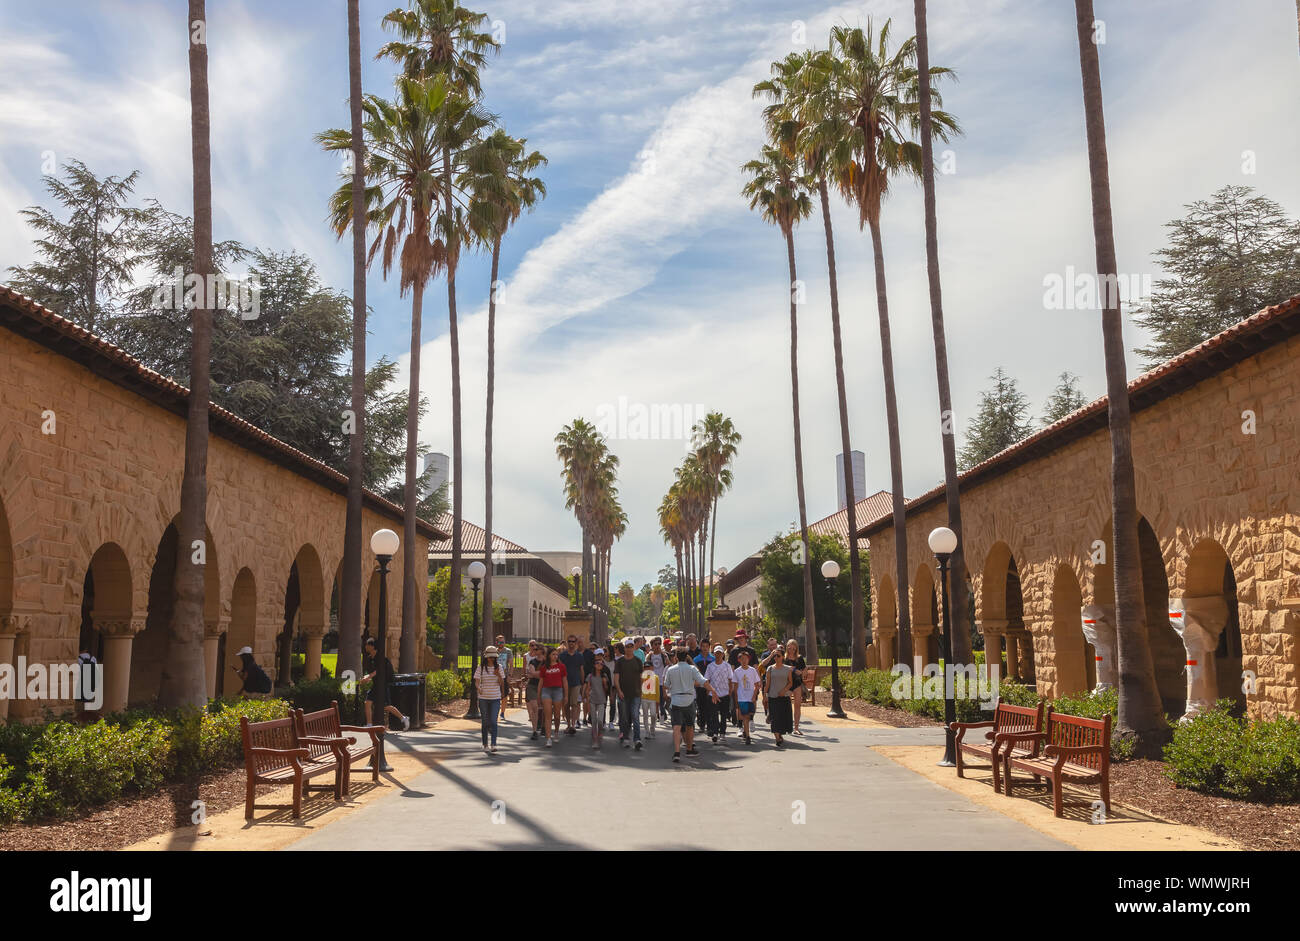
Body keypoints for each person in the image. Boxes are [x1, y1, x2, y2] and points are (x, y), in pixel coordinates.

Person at [664, 646, 714, 763]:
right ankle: (689, 749)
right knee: (690, 725)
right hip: (689, 700)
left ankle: (677, 752)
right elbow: (703, 681)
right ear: (686, 657)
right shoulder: (692, 668)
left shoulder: (671, 670)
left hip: (676, 700)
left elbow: (666, 685)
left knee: (676, 727)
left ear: (676, 657)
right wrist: (713, 691)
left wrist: (672, 689)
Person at [361, 639, 409, 730]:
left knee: (386, 706)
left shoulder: (381, 658)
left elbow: (378, 671)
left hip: (383, 685)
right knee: (367, 702)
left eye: (367, 645)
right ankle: (369, 725)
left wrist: (368, 677)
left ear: (372, 646)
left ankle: (404, 718)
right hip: (375, 685)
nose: (365, 646)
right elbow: (372, 672)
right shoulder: (370, 658)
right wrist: (367, 678)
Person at [614, 637, 644, 750]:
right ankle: (626, 737)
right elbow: (616, 678)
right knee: (625, 717)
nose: (630, 648)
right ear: (625, 648)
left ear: (633, 647)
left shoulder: (638, 661)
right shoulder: (620, 662)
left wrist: (641, 690)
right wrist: (619, 690)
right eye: (627, 646)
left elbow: (641, 678)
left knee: (635, 716)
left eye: (631, 646)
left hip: (636, 694)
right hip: (623, 694)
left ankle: (637, 739)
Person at [475, 646, 506, 754]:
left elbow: (502, 683)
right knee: (485, 722)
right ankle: (485, 744)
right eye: (490, 657)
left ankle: (493, 744)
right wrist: (478, 687)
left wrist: (498, 675)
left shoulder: (499, 667)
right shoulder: (481, 667)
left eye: (493, 657)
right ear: (486, 657)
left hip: (495, 698)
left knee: (493, 721)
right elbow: (477, 681)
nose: (492, 659)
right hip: (483, 698)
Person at [763, 647, 794, 747]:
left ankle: (780, 734)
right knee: (775, 718)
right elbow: (767, 684)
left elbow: (790, 683)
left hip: (784, 697)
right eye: (775, 655)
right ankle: (777, 738)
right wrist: (765, 696)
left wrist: (784, 690)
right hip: (773, 697)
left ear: (782, 657)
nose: (776, 657)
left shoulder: (787, 669)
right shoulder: (770, 669)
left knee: (783, 717)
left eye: (778, 656)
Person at [704, 646, 734, 742]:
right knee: (714, 715)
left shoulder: (727, 666)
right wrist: (708, 692)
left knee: (724, 715)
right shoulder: (710, 666)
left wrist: (730, 691)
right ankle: (715, 733)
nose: (718, 655)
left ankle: (723, 733)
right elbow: (707, 680)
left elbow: (730, 679)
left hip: (725, 694)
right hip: (713, 695)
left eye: (720, 653)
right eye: (716, 653)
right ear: (714, 654)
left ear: (722, 654)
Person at [557, 635, 586, 735]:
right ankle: (568, 724)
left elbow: (581, 670)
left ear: (576, 643)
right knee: (566, 704)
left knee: (574, 704)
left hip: (576, 683)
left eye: (573, 641)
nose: (571, 643)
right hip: (565, 683)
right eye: (569, 641)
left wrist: (583, 684)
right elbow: (559, 670)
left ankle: (573, 725)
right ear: (567, 642)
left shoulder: (579, 656)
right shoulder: (562, 655)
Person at [538, 646, 567, 746]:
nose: (555, 656)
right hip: (546, 691)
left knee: (557, 715)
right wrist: (538, 696)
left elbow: (565, 681)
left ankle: (556, 732)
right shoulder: (544, 668)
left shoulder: (561, 666)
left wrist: (566, 695)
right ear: (549, 656)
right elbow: (541, 683)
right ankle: (548, 737)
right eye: (553, 654)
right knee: (548, 715)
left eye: (556, 654)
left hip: (558, 691)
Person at [584, 649, 611, 749]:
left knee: (600, 721)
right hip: (592, 700)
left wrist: (605, 683)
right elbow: (587, 688)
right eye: (597, 663)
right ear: (594, 665)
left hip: (601, 700)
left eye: (601, 663)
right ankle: (595, 740)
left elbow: (607, 689)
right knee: (594, 721)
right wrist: (586, 700)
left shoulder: (604, 676)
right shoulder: (590, 676)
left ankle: (599, 732)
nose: (599, 665)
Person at [731, 649, 759, 744]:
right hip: (742, 698)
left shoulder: (752, 671)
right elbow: (735, 687)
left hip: (751, 697)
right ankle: (747, 736)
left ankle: (745, 731)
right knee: (746, 716)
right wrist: (736, 700)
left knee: (750, 714)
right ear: (739, 660)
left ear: (748, 659)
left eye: (746, 659)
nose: (744, 660)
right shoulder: (737, 672)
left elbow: (757, 685)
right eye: (742, 659)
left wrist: (754, 696)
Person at [785, 639, 808, 735]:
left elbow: (805, 670)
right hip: (787, 684)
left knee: (797, 705)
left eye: (794, 647)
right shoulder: (784, 658)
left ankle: (796, 728)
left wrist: (801, 672)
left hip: (797, 683)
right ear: (787, 647)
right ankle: (786, 726)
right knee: (786, 705)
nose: (792, 649)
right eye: (790, 646)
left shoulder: (799, 658)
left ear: (796, 648)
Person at [646, 637, 670, 719]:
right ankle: (657, 715)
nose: (657, 646)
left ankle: (662, 713)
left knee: (662, 699)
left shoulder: (663, 655)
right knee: (655, 700)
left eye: (659, 644)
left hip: (661, 681)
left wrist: (664, 655)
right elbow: (646, 666)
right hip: (652, 680)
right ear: (652, 646)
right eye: (655, 644)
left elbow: (669, 665)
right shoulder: (650, 656)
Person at [524, 640, 543, 740]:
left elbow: (534, 674)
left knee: (544, 708)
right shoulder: (532, 661)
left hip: (544, 686)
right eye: (533, 648)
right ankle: (535, 730)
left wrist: (535, 674)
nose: (534, 650)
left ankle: (543, 726)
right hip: (532, 686)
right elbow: (531, 673)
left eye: (536, 649)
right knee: (535, 707)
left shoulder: (546, 662)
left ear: (541, 650)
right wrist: (541, 674)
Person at [640, 657, 660, 740]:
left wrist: (657, 702)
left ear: (652, 668)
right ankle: (647, 732)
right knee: (645, 716)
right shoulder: (642, 676)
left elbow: (657, 690)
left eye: (649, 667)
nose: (647, 669)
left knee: (653, 715)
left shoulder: (656, 677)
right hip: (644, 698)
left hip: (652, 699)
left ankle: (652, 729)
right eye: (645, 667)